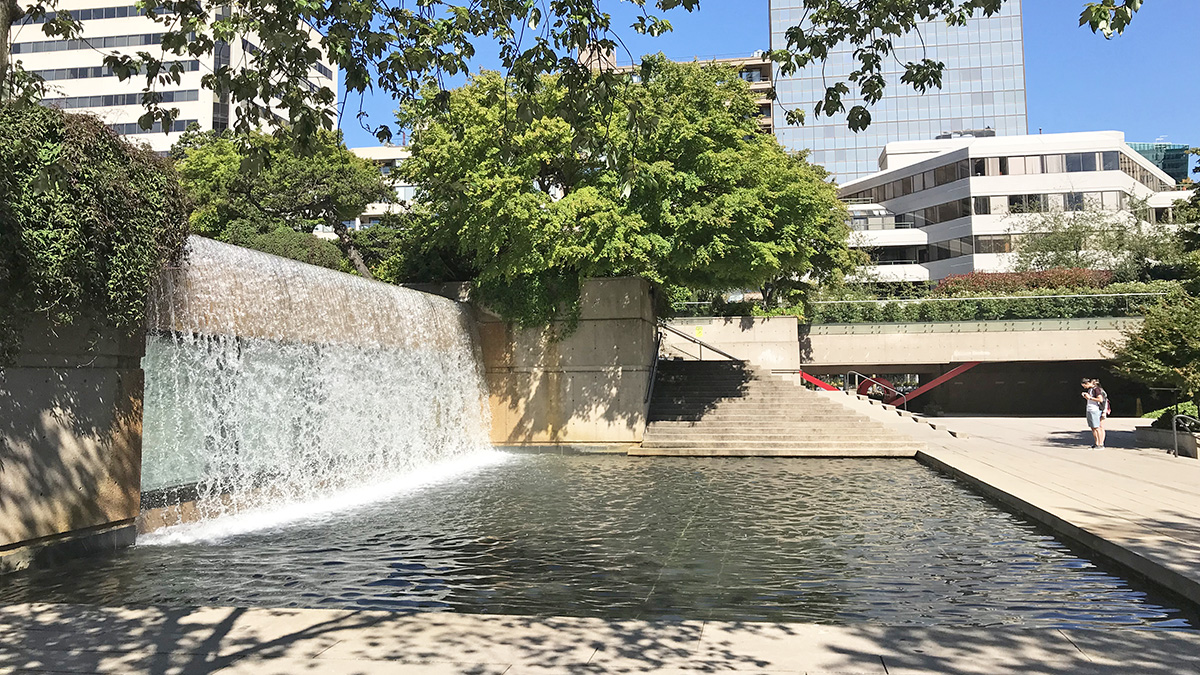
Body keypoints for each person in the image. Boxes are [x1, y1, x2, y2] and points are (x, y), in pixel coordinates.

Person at [1081, 378, 1106, 448]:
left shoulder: (1096, 389)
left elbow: (1100, 399)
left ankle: (1100, 444)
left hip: (1095, 410)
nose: (1084, 387)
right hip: (1090, 409)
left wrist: (1090, 398)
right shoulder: (1090, 390)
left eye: (1084, 385)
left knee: (1097, 427)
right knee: (1093, 427)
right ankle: (1096, 443)